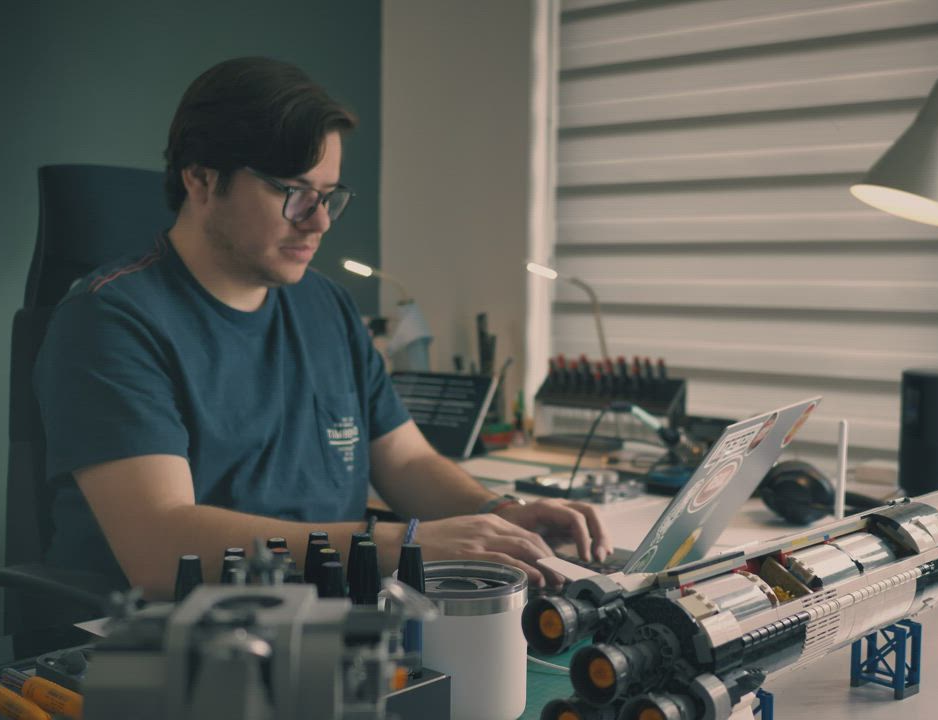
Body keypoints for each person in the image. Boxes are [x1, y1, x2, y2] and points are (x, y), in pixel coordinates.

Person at [34, 57, 610, 600]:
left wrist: (499, 512)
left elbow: (406, 462)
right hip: (174, 638)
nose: (321, 222)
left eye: (330, 196)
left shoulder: (326, 305)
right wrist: (401, 544)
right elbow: (161, 543)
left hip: (331, 609)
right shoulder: (111, 320)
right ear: (202, 180)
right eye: (293, 193)